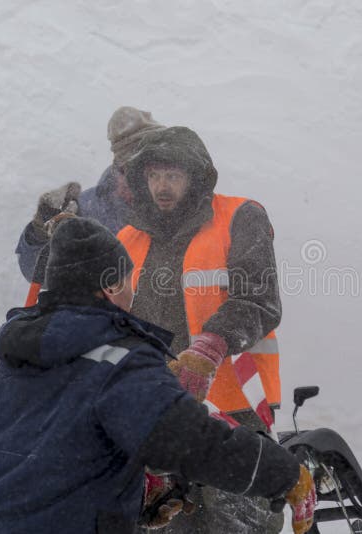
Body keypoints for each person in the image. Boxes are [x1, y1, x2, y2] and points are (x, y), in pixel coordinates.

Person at [0, 218, 315, 534]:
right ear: (112, 285)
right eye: (129, 278)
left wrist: (123, 496)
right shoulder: (119, 355)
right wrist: (284, 475)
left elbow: (40, 464)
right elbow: (189, 441)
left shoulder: (15, 360)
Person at [117, 126, 284, 532]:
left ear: (196, 176)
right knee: (166, 526)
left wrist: (211, 344)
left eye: (172, 175)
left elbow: (260, 299)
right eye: (154, 175)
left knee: (236, 525)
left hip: (234, 408)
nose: (162, 186)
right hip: (159, 413)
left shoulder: (240, 216)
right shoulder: (127, 238)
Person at [15, 106, 165, 283]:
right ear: (118, 170)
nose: (142, 182)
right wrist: (41, 233)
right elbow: (41, 275)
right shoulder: (87, 212)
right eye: (131, 171)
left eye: (152, 172)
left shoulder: (185, 207)